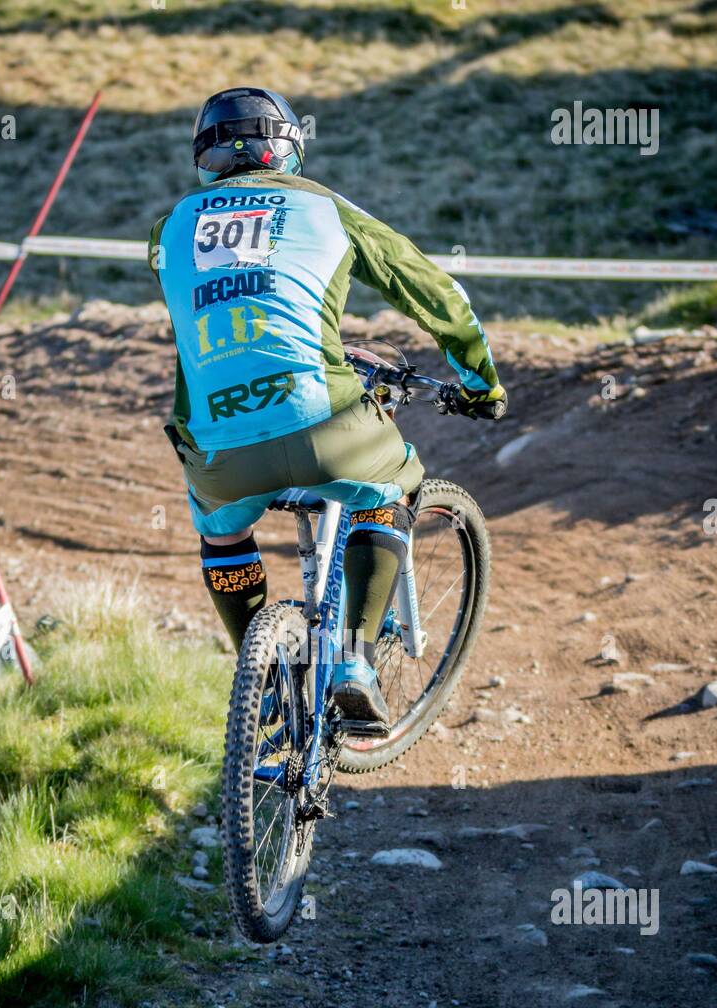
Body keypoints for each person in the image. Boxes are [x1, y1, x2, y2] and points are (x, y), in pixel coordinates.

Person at [149, 87, 506, 733]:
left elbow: (233, 311)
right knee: (388, 488)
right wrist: (480, 382)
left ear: (203, 157)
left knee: (222, 531)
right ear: (287, 149)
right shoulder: (322, 207)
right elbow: (432, 287)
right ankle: (355, 660)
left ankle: (259, 681)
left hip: (221, 445)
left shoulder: (168, 230)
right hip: (325, 425)